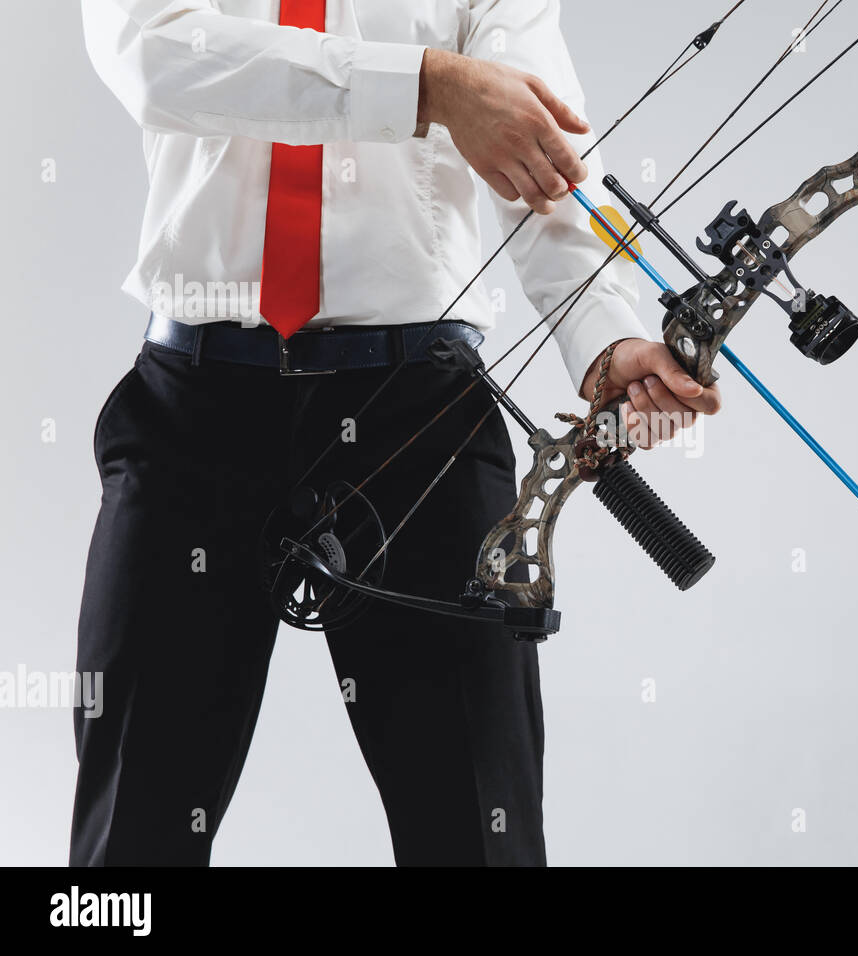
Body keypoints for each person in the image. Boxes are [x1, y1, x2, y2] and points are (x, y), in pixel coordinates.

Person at [74, 0, 721, 867]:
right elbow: (152, 55)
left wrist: (602, 335)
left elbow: (542, 148)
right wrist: (427, 86)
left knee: (477, 827)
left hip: (419, 417)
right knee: (130, 838)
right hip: (195, 404)